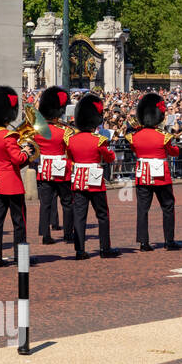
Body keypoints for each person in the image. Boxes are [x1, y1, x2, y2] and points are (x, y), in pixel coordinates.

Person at [0, 86, 31, 269]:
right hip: (11, 183)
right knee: (19, 222)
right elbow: (17, 159)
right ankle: (21, 258)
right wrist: (25, 151)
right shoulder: (8, 136)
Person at [68, 94, 120, 260]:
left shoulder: (71, 140)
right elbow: (110, 157)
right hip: (95, 180)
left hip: (78, 180)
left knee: (79, 216)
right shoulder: (99, 140)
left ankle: (80, 250)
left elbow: (69, 159)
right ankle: (105, 248)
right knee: (102, 215)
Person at [131, 92, 182, 252]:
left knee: (142, 209)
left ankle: (144, 242)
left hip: (143, 176)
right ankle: (169, 240)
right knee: (167, 207)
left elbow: (134, 149)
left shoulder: (135, 136)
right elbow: (174, 152)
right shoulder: (163, 136)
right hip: (161, 177)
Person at [34, 86, 75, 245]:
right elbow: (71, 148)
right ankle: (68, 233)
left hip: (44, 170)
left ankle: (45, 234)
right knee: (67, 202)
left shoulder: (38, 130)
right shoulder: (64, 131)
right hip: (61, 170)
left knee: (45, 204)